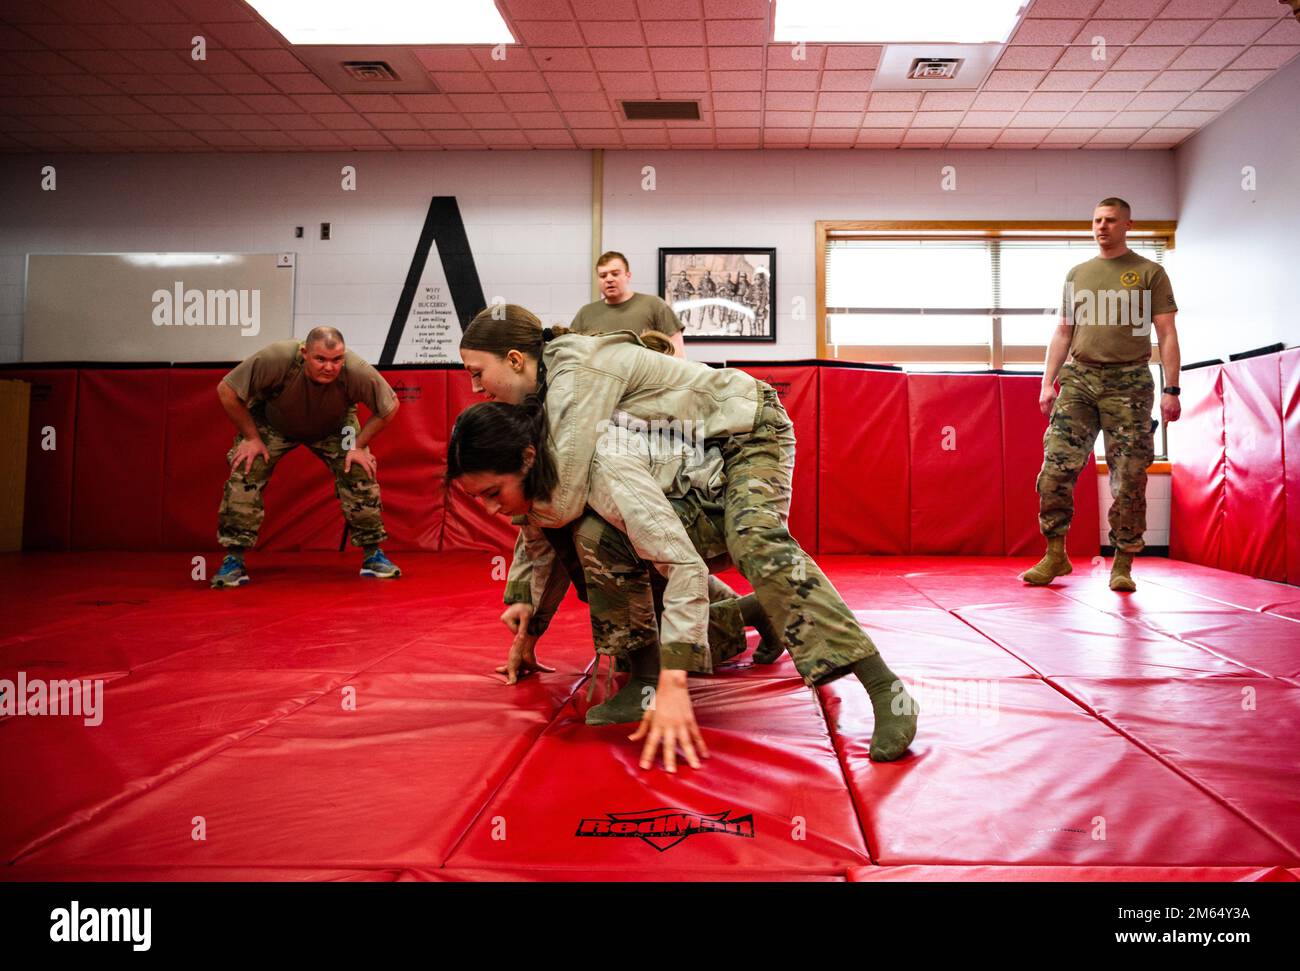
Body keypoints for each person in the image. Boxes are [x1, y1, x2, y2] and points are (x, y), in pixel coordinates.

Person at [459, 305, 919, 769]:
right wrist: (526, 616)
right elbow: (544, 496)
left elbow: (554, 502)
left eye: (478, 373)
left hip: (745, 430)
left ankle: (883, 685)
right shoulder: (547, 397)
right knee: (600, 534)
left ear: (516, 359)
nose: (476, 388)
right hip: (687, 463)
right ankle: (655, 669)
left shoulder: (575, 373)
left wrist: (676, 681)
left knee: (753, 539)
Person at [447, 396, 781, 738]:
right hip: (666, 519)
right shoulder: (544, 470)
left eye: (493, 493)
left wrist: (669, 678)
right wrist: (528, 636)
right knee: (630, 645)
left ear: (527, 459)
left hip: (713, 511)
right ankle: (753, 610)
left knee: (598, 542)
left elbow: (681, 562)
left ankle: (647, 684)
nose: (489, 510)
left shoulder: (599, 469)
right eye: (480, 499)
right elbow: (541, 553)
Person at [1025, 197, 1181, 592]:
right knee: (1055, 470)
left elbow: (1166, 334)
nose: (1101, 227)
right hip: (1079, 380)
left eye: (1110, 221)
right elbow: (1062, 332)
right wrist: (1048, 382)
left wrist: (1171, 389)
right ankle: (1055, 553)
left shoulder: (1150, 272)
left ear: (1128, 224)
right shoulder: (1078, 273)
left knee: (1128, 476)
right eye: (1096, 220)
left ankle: (1123, 562)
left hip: (1129, 382)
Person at [212, 326, 402, 587]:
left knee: (358, 469)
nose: (329, 367)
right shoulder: (278, 358)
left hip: (337, 426)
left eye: (336, 360)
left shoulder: (356, 371)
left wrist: (358, 445)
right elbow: (227, 390)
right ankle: (233, 559)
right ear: (304, 353)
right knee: (247, 466)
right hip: (273, 422)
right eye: (320, 359)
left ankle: (373, 554)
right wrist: (251, 438)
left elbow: (389, 407)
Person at [570, 251, 686, 356]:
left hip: (645, 378)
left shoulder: (654, 305)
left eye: (615, 274)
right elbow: (571, 354)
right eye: (603, 276)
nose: (609, 279)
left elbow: (678, 354)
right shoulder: (586, 313)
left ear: (628, 275)